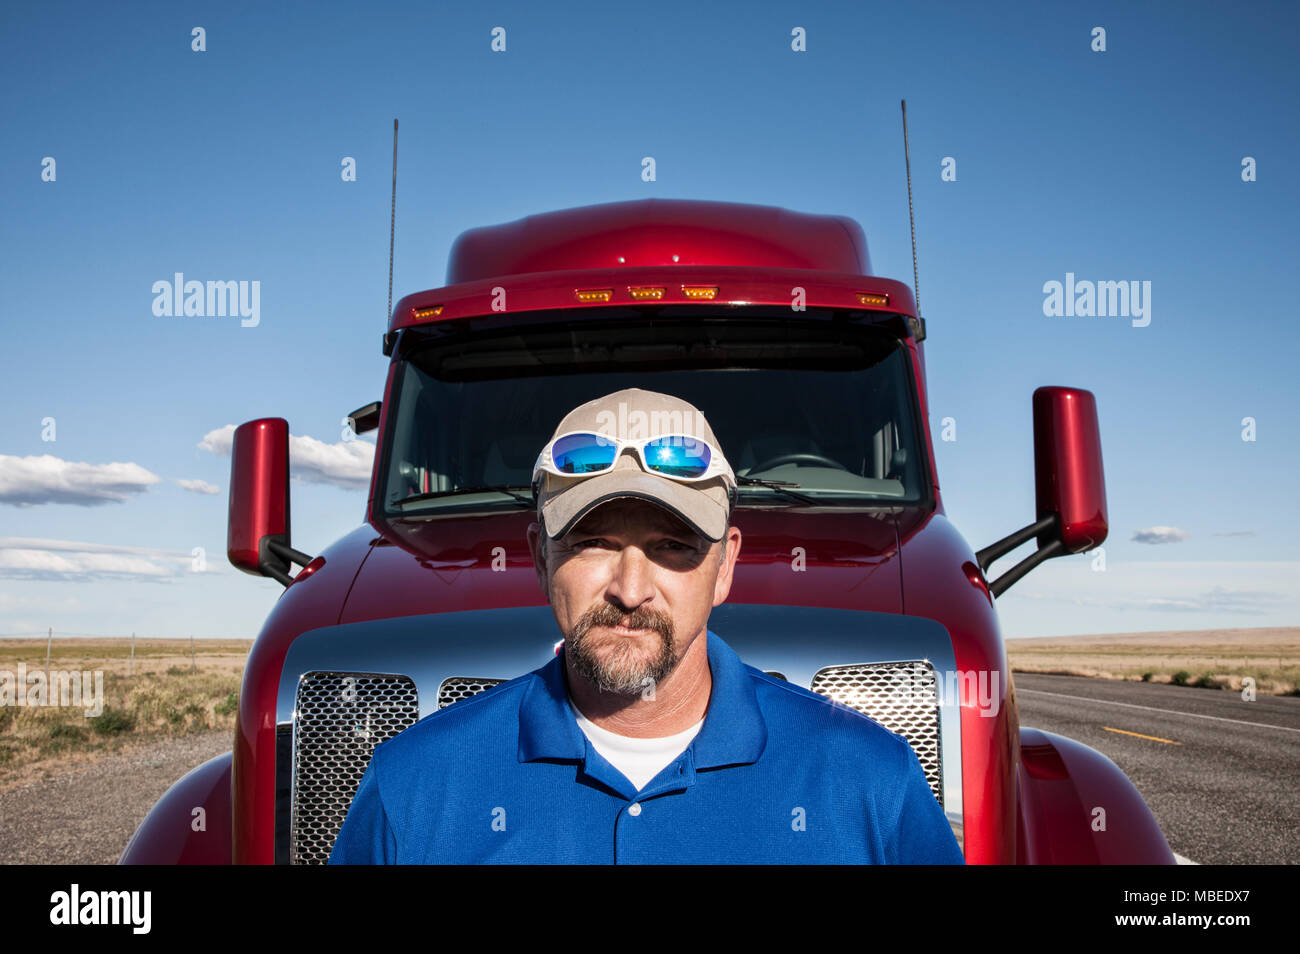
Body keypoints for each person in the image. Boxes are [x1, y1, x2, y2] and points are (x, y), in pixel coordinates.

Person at [329, 387, 964, 864]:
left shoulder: (870, 783)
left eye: (673, 545)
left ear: (724, 567)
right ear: (539, 555)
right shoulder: (412, 786)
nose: (630, 591)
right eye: (594, 541)